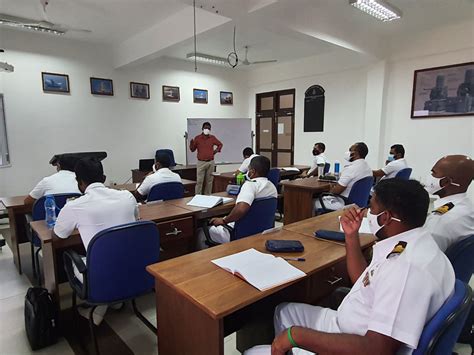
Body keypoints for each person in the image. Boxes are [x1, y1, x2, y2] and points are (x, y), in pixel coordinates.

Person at [245, 179, 455, 355]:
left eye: (371, 207)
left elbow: (376, 350)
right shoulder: (412, 243)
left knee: (253, 352)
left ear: (386, 217)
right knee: (284, 311)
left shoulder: (406, 269)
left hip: (360, 343)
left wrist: (295, 336)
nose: (365, 213)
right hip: (356, 325)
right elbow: (363, 280)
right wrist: (350, 235)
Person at [53, 158, 138, 325]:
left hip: (100, 277)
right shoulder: (127, 197)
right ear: (104, 178)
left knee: (75, 258)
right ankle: (113, 300)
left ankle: (101, 305)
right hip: (134, 269)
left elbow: (57, 237)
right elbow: (135, 222)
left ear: (79, 182)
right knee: (112, 255)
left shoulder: (73, 206)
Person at [199, 155, 277, 245]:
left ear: (252, 172)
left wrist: (224, 220)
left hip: (239, 234)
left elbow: (241, 209)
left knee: (201, 232)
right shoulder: (272, 187)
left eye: (248, 169)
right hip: (261, 233)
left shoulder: (250, 185)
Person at [423, 155, 474, 252]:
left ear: (446, 182)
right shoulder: (467, 208)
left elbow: (422, 258)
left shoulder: (438, 222)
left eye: (433, 173)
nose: (430, 177)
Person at [315, 142, 371, 211]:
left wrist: (331, 188)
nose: (348, 152)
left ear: (355, 153)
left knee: (312, 202)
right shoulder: (368, 168)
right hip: (358, 204)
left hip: (344, 203)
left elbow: (336, 191)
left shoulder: (351, 168)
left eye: (350, 150)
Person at [189, 122, 223, 195]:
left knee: (209, 181)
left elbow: (220, 144)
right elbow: (192, 149)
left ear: (210, 129)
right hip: (201, 162)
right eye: (205, 128)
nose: (207, 129)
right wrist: (191, 144)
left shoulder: (212, 138)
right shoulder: (197, 138)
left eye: (208, 128)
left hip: (210, 162)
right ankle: (197, 196)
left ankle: (207, 196)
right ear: (202, 129)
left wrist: (215, 151)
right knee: (199, 181)